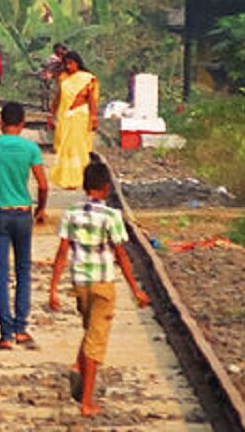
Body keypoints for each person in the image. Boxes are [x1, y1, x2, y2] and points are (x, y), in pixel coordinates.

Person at [48, 161, 150, 417]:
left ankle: (77, 367)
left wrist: (53, 288)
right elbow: (121, 255)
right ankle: (86, 401)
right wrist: (135, 289)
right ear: (106, 188)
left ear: (84, 186)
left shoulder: (71, 212)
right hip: (104, 283)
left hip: (79, 282)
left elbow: (62, 252)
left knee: (90, 330)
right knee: (96, 341)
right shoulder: (111, 217)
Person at [0, 101, 49, 350]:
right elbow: (43, 184)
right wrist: (41, 209)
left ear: (0, 123)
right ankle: (21, 329)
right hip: (23, 214)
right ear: (23, 124)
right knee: (24, 271)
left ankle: (5, 334)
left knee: (1, 274)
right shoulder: (30, 148)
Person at [49, 51, 99, 189]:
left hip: (80, 116)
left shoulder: (88, 78)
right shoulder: (63, 77)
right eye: (66, 63)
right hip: (65, 115)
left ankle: (81, 178)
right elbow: (58, 97)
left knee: (79, 147)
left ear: (78, 63)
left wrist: (94, 117)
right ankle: (67, 178)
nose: (69, 66)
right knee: (66, 148)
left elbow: (92, 100)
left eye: (71, 63)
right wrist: (51, 114)